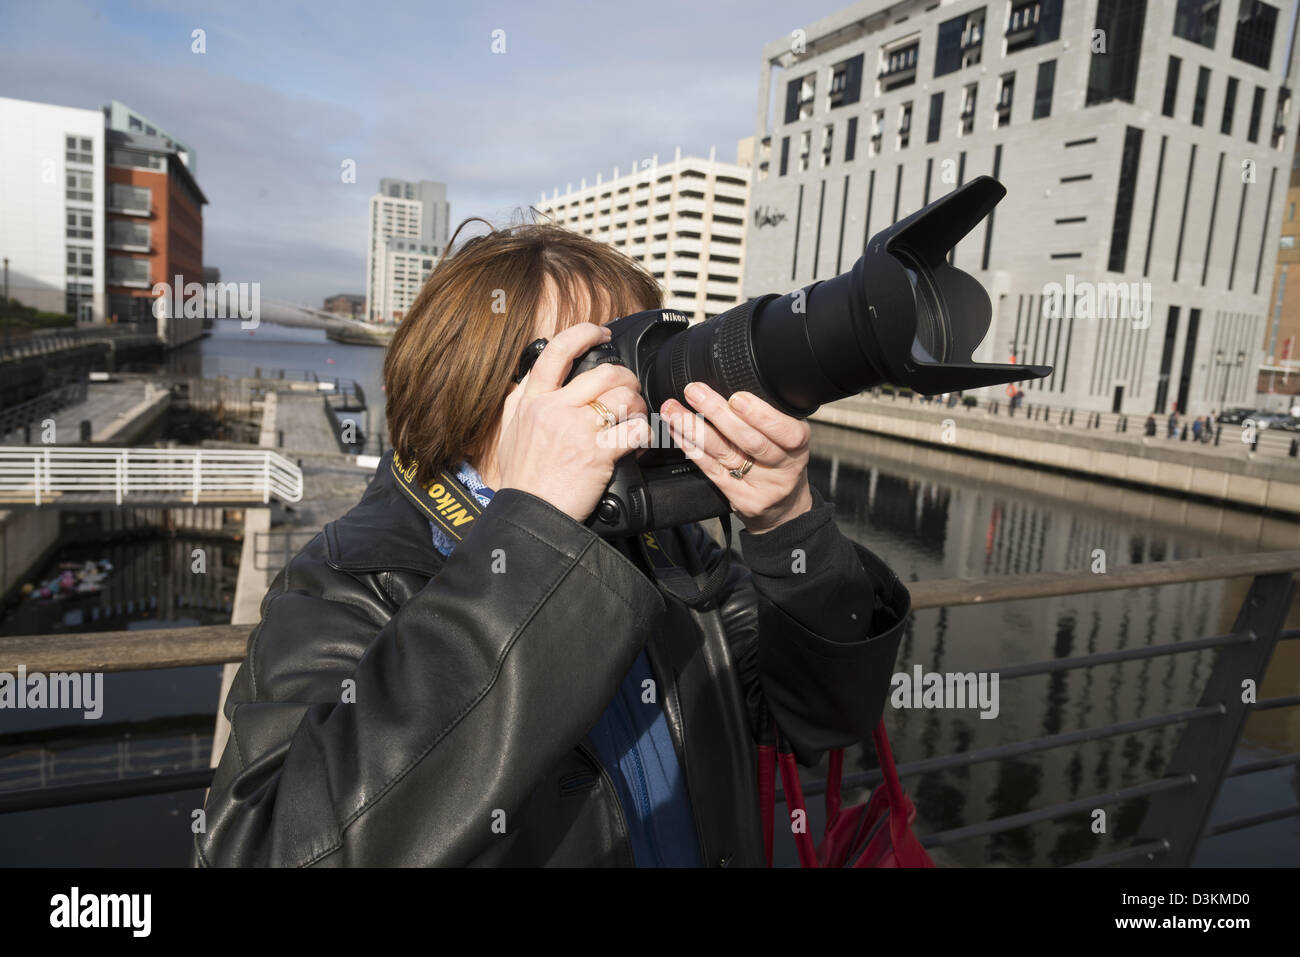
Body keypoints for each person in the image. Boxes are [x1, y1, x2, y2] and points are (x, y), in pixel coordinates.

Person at [193, 221, 908, 867]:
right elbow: (266, 848)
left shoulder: (664, 547)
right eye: (595, 359)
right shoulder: (350, 580)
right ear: (474, 383)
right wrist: (535, 534)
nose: (632, 392)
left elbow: (819, 716)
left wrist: (790, 528)